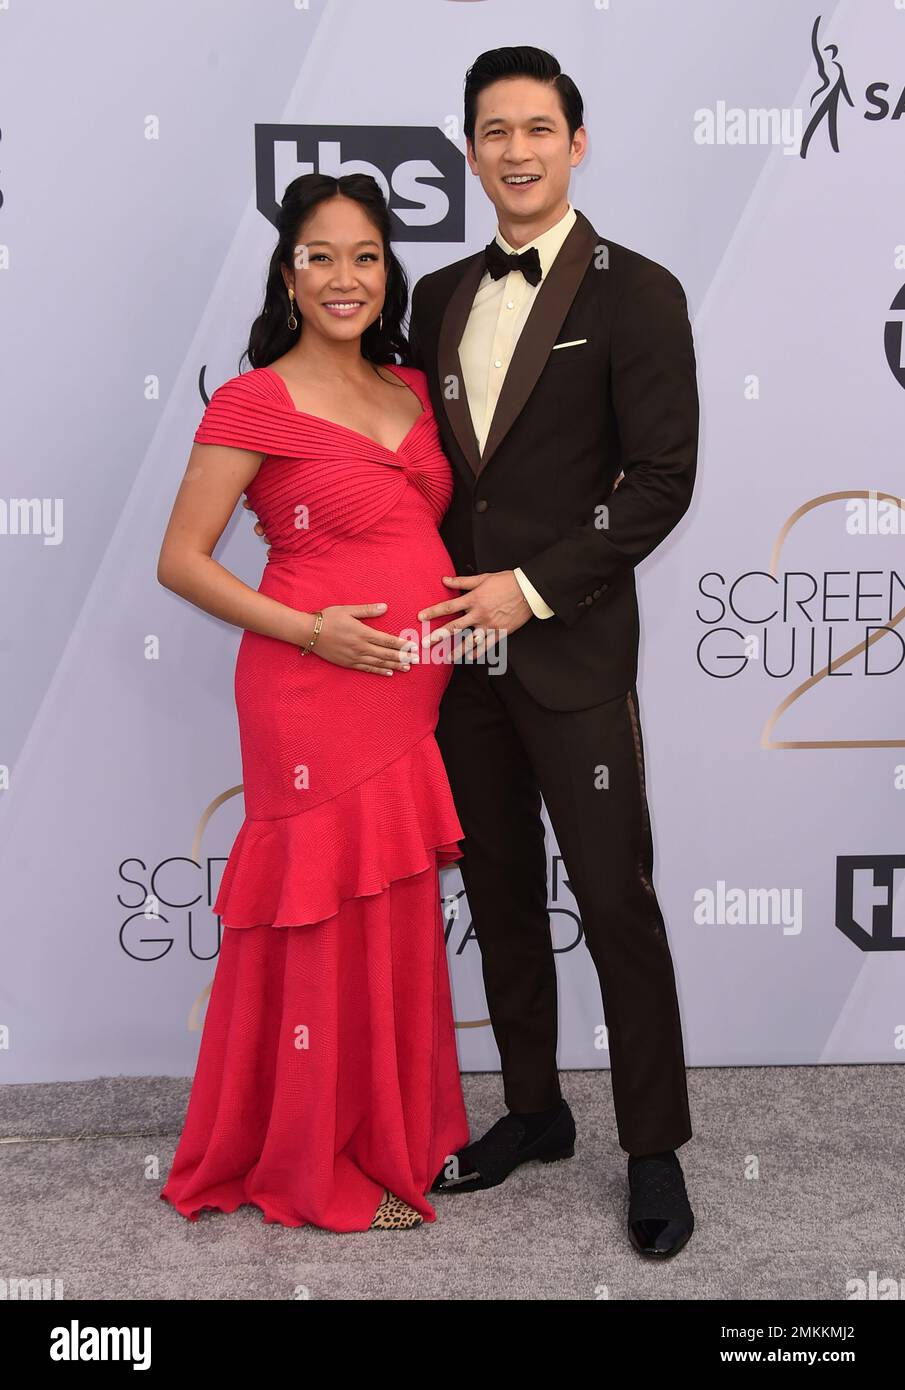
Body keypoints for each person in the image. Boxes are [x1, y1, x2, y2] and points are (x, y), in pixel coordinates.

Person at [249, 46, 701, 1259]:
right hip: (454, 666)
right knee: (498, 895)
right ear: (469, 151)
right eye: (492, 131)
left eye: (537, 129)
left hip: (571, 651)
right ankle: (534, 1112)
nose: (515, 150)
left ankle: (651, 1148)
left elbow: (660, 479)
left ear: (575, 142)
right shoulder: (437, 297)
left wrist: (531, 589)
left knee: (612, 897)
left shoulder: (637, 291)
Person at [156, 172, 469, 1232]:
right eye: (321, 255)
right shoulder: (254, 399)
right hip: (307, 688)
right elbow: (182, 561)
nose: (345, 276)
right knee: (315, 912)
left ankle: (385, 1134)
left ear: (389, 273)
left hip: (404, 706)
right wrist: (312, 630)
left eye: (365, 256)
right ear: (287, 275)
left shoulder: (414, 392)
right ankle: (299, 1153)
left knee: (384, 909)